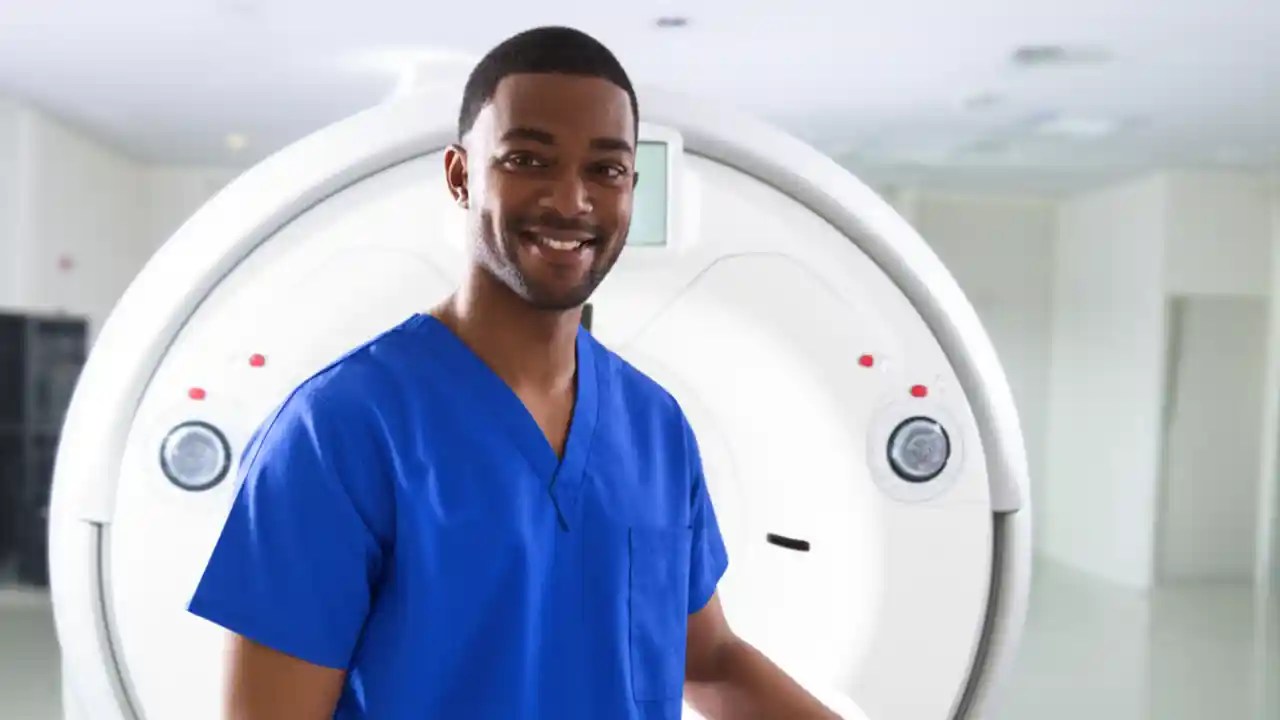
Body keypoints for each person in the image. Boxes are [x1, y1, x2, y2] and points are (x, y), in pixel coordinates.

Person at [188, 25, 840, 720]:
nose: (571, 201)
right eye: (529, 159)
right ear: (461, 175)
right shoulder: (340, 428)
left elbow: (707, 660)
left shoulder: (655, 426)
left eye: (606, 170)